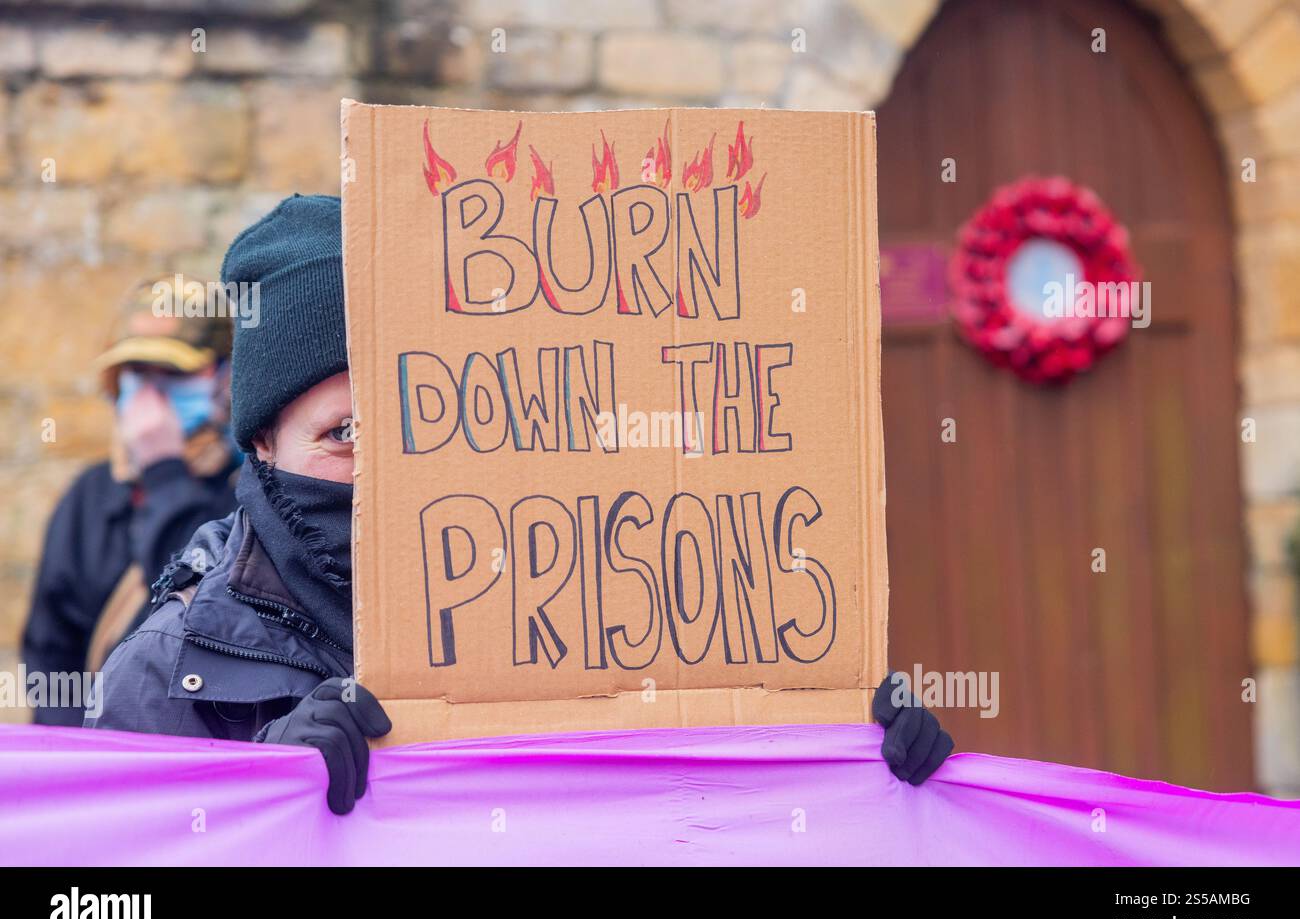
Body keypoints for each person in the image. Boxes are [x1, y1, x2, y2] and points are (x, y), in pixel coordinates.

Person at [87, 194, 952, 815]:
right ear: (263, 445)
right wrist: (263, 799)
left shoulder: (589, 604)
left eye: (415, 418)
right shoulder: (167, 675)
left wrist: (847, 755)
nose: (388, 467)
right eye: (344, 432)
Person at [22, 278, 240, 725]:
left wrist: (164, 471)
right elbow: (51, 651)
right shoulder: (90, 494)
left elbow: (204, 605)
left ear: (225, 377)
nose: (151, 394)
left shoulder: (248, 488)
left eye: (176, 374)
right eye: (138, 373)